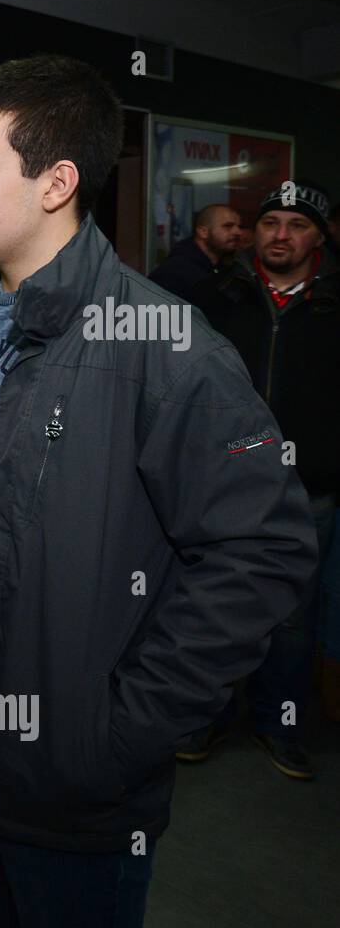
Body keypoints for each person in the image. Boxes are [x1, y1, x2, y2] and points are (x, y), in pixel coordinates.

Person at [0, 55, 315, 928]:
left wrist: (119, 731)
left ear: (56, 183)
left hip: (74, 779)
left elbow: (262, 548)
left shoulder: (163, 344)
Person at [187, 181, 339, 777]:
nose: (281, 235)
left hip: (307, 490)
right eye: (271, 222)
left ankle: (282, 725)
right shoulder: (215, 296)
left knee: (293, 619)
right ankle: (211, 714)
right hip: (220, 485)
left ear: (318, 236)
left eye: (296, 225)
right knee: (213, 608)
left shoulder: (334, 303)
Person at [148, 202, 241, 301]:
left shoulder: (225, 268)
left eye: (239, 226)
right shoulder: (174, 272)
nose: (238, 232)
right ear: (203, 232)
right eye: (228, 226)